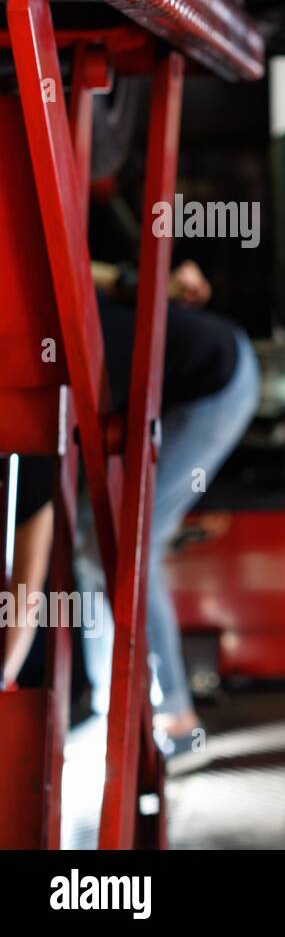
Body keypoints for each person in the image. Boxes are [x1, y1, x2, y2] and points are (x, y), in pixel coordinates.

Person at [4, 261, 258, 760]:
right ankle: (109, 706)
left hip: (216, 387)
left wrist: (3, 673)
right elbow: (74, 263)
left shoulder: (25, 383)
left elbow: (29, 572)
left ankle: (177, 720)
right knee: (91, 540)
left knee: (122, 547)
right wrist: (129, 280)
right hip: (166, 386)